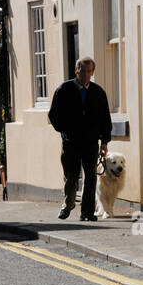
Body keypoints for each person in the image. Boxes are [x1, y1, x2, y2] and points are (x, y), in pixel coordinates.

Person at [49, 57, 112, 221]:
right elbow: (53, 115)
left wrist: (104, 141)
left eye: (89, 71)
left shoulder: (98, 92)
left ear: (93, 72)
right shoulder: (64, 89)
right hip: (71, 142)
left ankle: (87, 212)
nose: (85, 74)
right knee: (71, 175)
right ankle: (68, 204)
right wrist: (65, 131)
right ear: (76, 71)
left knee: (90, 176)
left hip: (91, 142)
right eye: (82, 71)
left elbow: (105, 118)